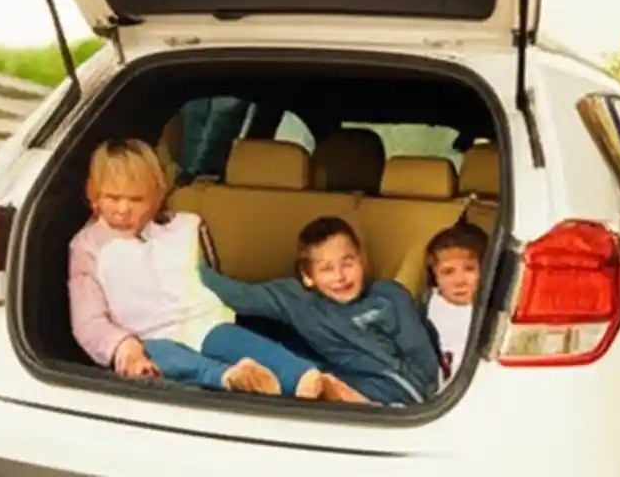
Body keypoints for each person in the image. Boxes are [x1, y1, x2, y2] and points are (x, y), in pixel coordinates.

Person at [68, 138, 362, 401]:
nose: (122, 209)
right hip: (145, 339)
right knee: (166, 357)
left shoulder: (181, 230)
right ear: (93, 195)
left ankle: (310, 379)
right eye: (112, 198)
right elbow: (88, 320)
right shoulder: (88, 247)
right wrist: (121, 347)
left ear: (157, 195)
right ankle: (229, 378)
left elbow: (211, 285)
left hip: (204, 323)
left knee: (240, 341)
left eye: (135, 200)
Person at [198, 216, 441, 405]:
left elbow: (421, 356)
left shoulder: (389, 296)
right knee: (222, 336)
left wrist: (420, 399)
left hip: (402, 390)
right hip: (342, 382)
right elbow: (237, 294)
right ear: (308, 277)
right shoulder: (297, 299)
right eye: (326, 269)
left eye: (348, 263)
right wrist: (185, 257)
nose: (340, 276)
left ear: (362, 260)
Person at [422, 221, 486, 384]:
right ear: (434, 276)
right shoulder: (425, 309)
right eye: (448, 272)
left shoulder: (492, 310)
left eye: (469, 269)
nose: (459, 281)